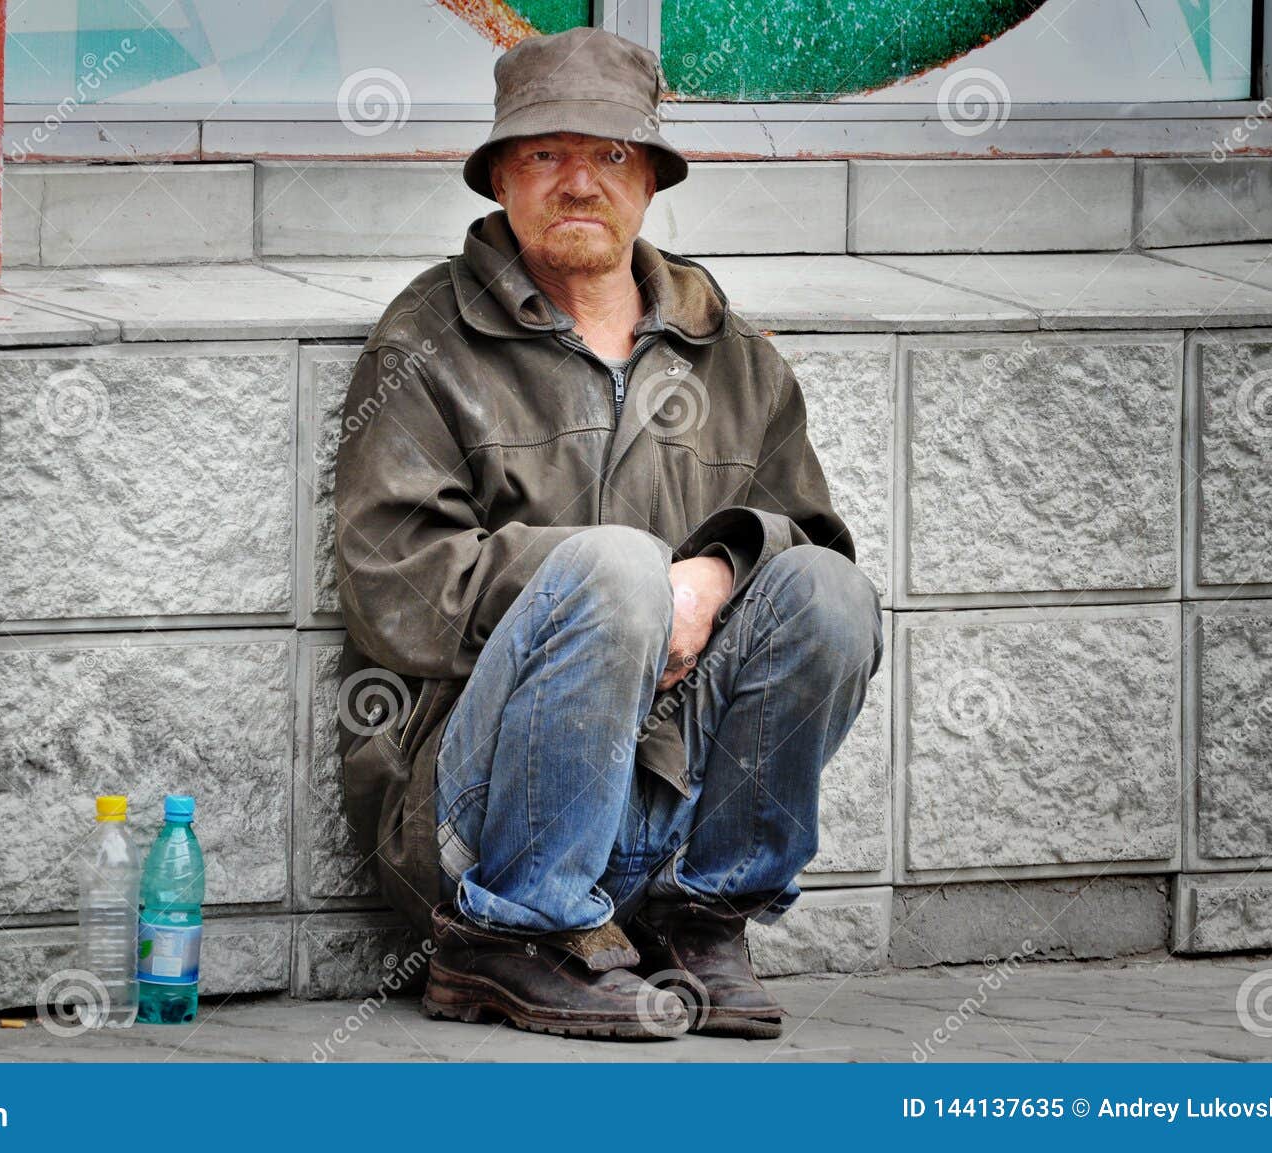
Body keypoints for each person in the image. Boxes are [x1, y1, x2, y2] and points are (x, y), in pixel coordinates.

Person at [333, 26, 883, 1042]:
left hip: (660, 804)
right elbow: (391, 585)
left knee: (830, 594)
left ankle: (701, 917)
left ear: (651, 180)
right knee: (615, 562)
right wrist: (612, 591)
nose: (577, 181)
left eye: (609, 154)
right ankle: (512, 938)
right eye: (544, 154)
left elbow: (807, 537)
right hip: (480, 811)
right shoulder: (428, 341)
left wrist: (712, 576)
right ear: (500, 175)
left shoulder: (726, 349)